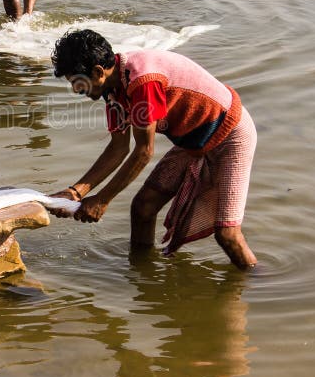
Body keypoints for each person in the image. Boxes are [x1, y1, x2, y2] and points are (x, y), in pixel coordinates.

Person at [49, 29, 258, 270]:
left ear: (97, 71)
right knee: (143, 208)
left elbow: (143, 151)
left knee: (227, 234)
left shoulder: (142, 80)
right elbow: (118, 148)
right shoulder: (113, 88)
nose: (76, 90)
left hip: (230, 134)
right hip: (192, 141)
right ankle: (142, 274)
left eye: (77, 83)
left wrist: (103, 200)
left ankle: (259, 283)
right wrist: (76, 192)